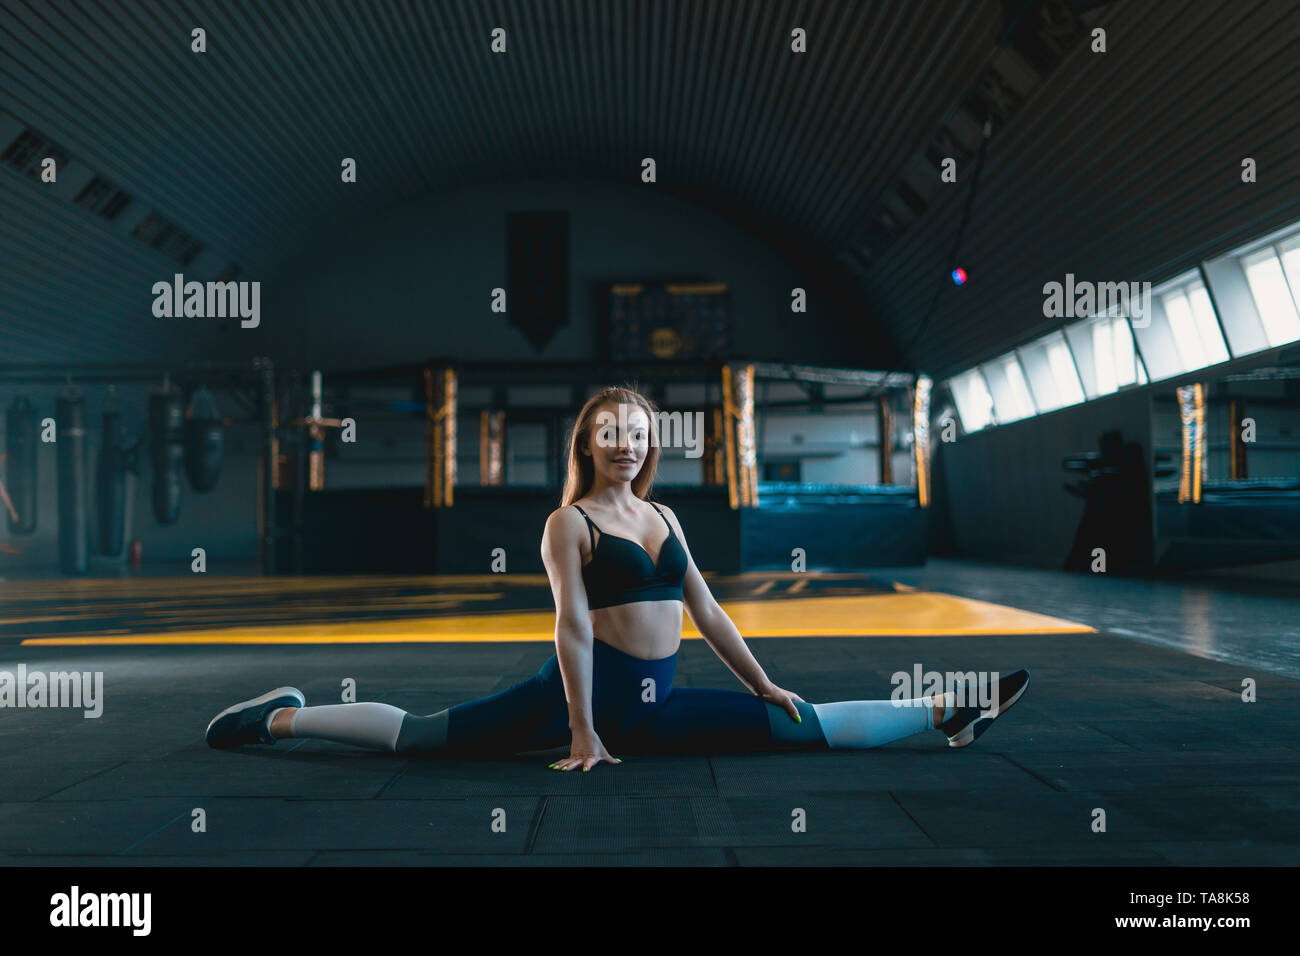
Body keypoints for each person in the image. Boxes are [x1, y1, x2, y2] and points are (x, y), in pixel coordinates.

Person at [206, 385, 1029, 769]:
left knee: (800, 723)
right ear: (588, 444)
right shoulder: (571, 523)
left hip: (657, 706)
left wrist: (765, 683)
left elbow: (706, 611)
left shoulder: (666, 519)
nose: (626, 444)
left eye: (637, 432)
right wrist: (579, 729)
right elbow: (570, 628)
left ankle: (950, 710)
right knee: (425, 738)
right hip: (581, 699)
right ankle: (278, 719)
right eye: (611, 433)